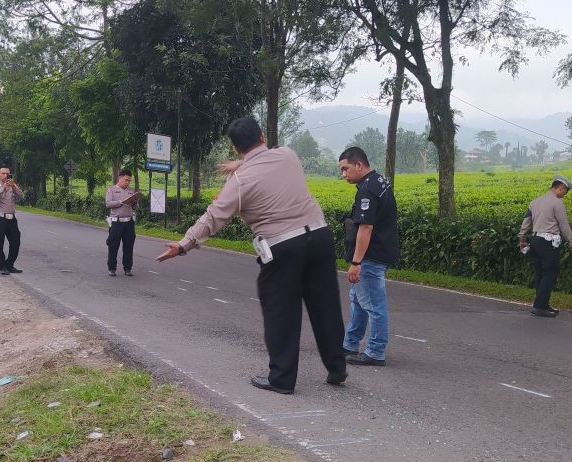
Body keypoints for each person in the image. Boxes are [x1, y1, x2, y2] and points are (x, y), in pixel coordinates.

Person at [156, 116, 348, 395]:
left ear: (235, 149)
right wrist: (244, 165)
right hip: (319, 236)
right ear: (262, 136)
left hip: (282, 245)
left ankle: (281, 378)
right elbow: (267, 162)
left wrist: (184, 245)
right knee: (325, 304)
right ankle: (337, 367)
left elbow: (214, 216)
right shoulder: (288, 155)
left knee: (281, 310)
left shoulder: (240, 181)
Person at [338, 147, 400, 366]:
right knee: (358, 300)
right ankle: (350, 344)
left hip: (371, 255)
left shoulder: (367, 189)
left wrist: (356, 262)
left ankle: (375, 351)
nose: (343, 174)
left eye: (345, 169)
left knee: (374, 304)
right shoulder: (379, 182)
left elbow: (365, 227)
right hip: (380, 251)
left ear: (359, 165)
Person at [518, 174, 572, 317]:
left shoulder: (534, 202)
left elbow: (526, 223)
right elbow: (564, 226)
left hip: (535, 241)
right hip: (549, 243)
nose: (565, 194)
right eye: (565, 191)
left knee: (540, 273)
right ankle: (540, 307)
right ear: (560, 188)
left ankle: (541, 304)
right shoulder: (557, 203)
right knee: (550, 273)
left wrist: (521, 240)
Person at [0, 166, 25, 275]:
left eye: (7, 174)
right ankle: (2, 266)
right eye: (3, 173)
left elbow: (22, 196)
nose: (5, 176)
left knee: (15, 242)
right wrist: (3, 188)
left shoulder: (13, 186)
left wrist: (13, 186)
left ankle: (10, 264)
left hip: (11, 219)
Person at [105, 169, 140, 277]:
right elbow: (108, 203)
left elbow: (136, 206)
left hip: (129, 223)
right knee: (113, 246)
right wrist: (120, 202)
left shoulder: (131, 191)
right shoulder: (111, 190)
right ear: (120, 178)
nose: (127, 182)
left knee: (129, 246)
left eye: (129, 180)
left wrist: (134, 203)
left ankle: (128, 268)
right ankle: (112, 268)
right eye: (126, 180)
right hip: (117, 223)